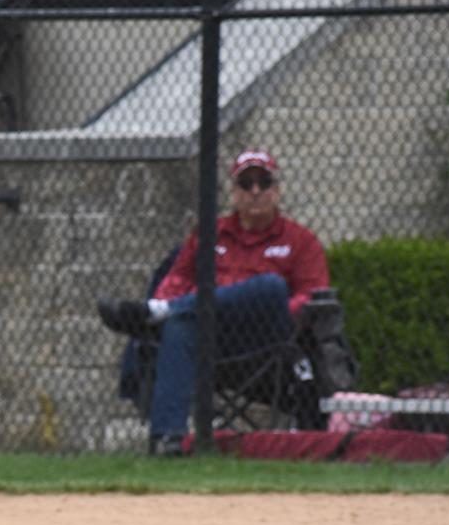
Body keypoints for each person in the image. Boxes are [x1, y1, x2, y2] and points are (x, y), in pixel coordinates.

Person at [95, 148, 331, 456]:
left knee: (271, 287)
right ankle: (167, 439)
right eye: (246, 184)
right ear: (234, 193)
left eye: (264, 182)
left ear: (277, 191)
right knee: (180, 327)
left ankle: (157, 313)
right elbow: (176, 280)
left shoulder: (300, 240)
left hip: (270, 338)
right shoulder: (209, 234)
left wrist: (278, 310)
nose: (255, 191)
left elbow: (312, 296)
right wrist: (170, 300)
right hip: (216, 338)